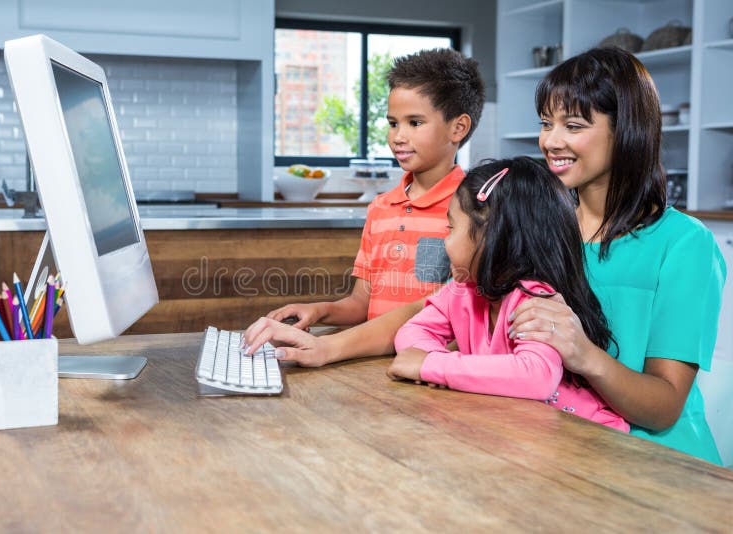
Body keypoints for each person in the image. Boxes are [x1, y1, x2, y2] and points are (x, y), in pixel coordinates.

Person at [244, 47, 725, 463]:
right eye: (546, 123)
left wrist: (584, 354)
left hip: (657, 463)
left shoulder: (685, 244)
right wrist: (325, 347)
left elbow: (663, 406)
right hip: (556, 444)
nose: (550, 142)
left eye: (573, 125)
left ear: (629, 131)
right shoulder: (541, 222)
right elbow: (440, 304)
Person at [387, 157, 628, 431]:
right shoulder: (462, 291)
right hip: (517, 432)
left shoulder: (536, 300)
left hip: (586, 438)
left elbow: (536, 376)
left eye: (452, 228)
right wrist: (430, 364)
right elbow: (412, 331)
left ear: (492, 236)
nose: (446, 240)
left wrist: (435, 366)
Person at [262, 48, 485, 331]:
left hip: (428, 365)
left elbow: (463, 315)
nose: (398, 137)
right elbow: (361, 304)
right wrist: (318, 310)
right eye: (393, 123)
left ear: (458, 128)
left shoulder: (472, 210)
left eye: (414, 123)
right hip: (370, 364)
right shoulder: (381, 209)